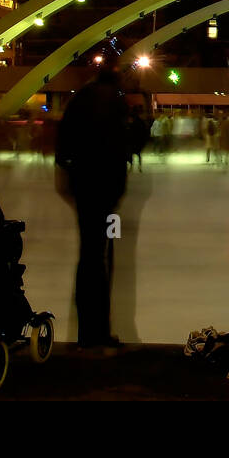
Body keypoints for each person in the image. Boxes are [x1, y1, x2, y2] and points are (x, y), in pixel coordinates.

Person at [56, 50, 132, 349]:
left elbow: (64, 146)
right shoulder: (113, 99)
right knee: (97, 257)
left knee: (89, 255)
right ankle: (95, 332)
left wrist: (71, 176)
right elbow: (120, 144)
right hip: (102, 186)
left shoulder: (82, 97)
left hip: (84, 184)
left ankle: (88, 331)